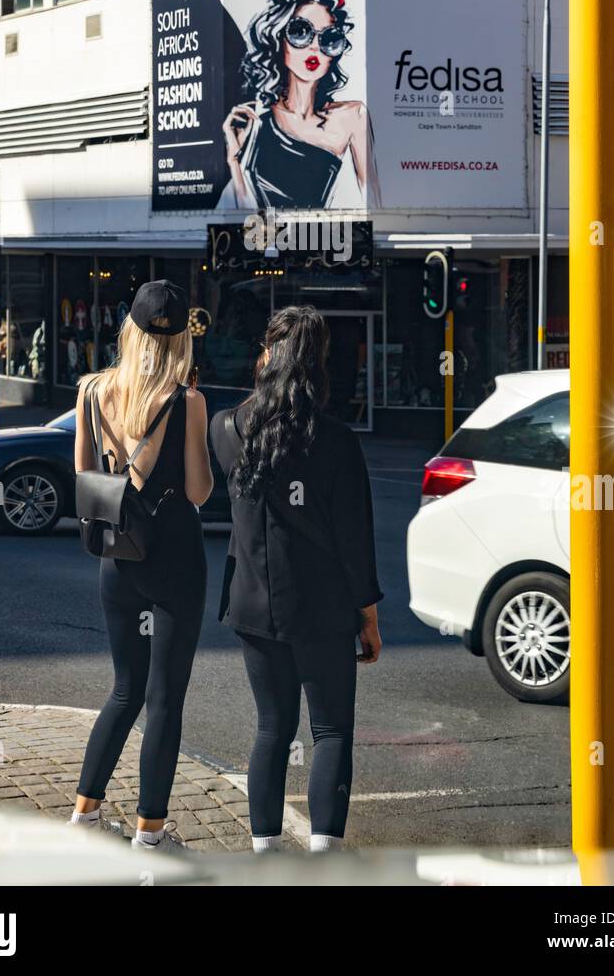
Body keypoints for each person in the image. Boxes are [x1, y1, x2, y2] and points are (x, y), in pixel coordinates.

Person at [209, 305, 383, 854]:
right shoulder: (335, 441)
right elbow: (355, 540)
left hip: (252, 605)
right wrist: (368, 615)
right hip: (323, 608)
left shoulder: (226, 428)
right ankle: (325, 851)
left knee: (271, 728)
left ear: (266, 356)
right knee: (330, 731)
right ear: (318, 365)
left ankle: (265, 850)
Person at [69, 280, 213, 851]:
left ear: (128, 329)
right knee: (165, 700)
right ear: (181, 340)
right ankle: (150, 833)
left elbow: (85, 479)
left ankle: (84, 813)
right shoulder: (188, 400)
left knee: (124, 691)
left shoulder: (90, 393)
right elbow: (200, 492)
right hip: (176, 560)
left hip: (117, 560)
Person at [220, 0, 381, 210]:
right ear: (278, 39)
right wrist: (234, 161)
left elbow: (375, 205)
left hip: (324, 241)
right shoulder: (254, 119)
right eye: (300, 32)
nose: (314, 46)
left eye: (329, 38)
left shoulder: (352, 117)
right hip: (268, 239)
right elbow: (246, 216)